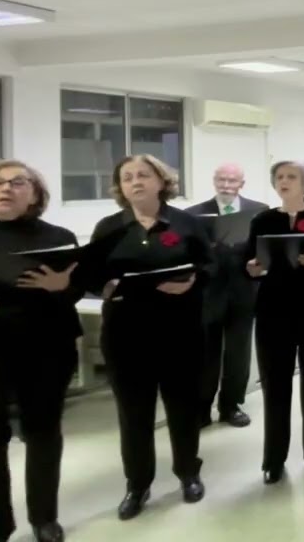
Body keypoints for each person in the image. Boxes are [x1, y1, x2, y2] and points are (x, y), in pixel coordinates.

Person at [82, 155, 215, 521]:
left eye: (143, 175)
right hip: (127, 335)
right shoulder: (108, 228)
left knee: (183, 409)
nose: (135, 182)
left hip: (180, 332)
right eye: (127, 177)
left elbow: (211, 266)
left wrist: (192, 281)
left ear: (162, 181)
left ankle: (188, 472)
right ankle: (137, 484)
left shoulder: (187, 223)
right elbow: (90, 277)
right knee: (134, 414)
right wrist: (104, 286)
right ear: (120, 187)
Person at [0, 161, 81, 542]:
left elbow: (77, 289)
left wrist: (60, 287)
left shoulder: (59, 236)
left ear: (35, 194)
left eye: (18, 183)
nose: (5, 189)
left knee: (42, 434)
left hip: (46, 351)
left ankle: (44, 517)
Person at [244, 161, 304, 484]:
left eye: (291, 177)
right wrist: (251, 268)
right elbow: (248, 261)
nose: (284, 181)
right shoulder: (263, 219)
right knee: (275, 387)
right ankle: (273, 459)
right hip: (274, 311)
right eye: (279, 177)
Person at [186, 163, 266, 429]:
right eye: (221, 180)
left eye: (232, 181)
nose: (226, 185)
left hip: (244, 290)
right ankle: (200, 407)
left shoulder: (259, 212)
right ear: (214, 181)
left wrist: (259, 264)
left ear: (242, 184)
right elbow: (187, 256)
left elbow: (263, 250)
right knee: (205, 353)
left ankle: (231, 405)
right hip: (209, 293)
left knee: (238, 352)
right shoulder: (194, 215)